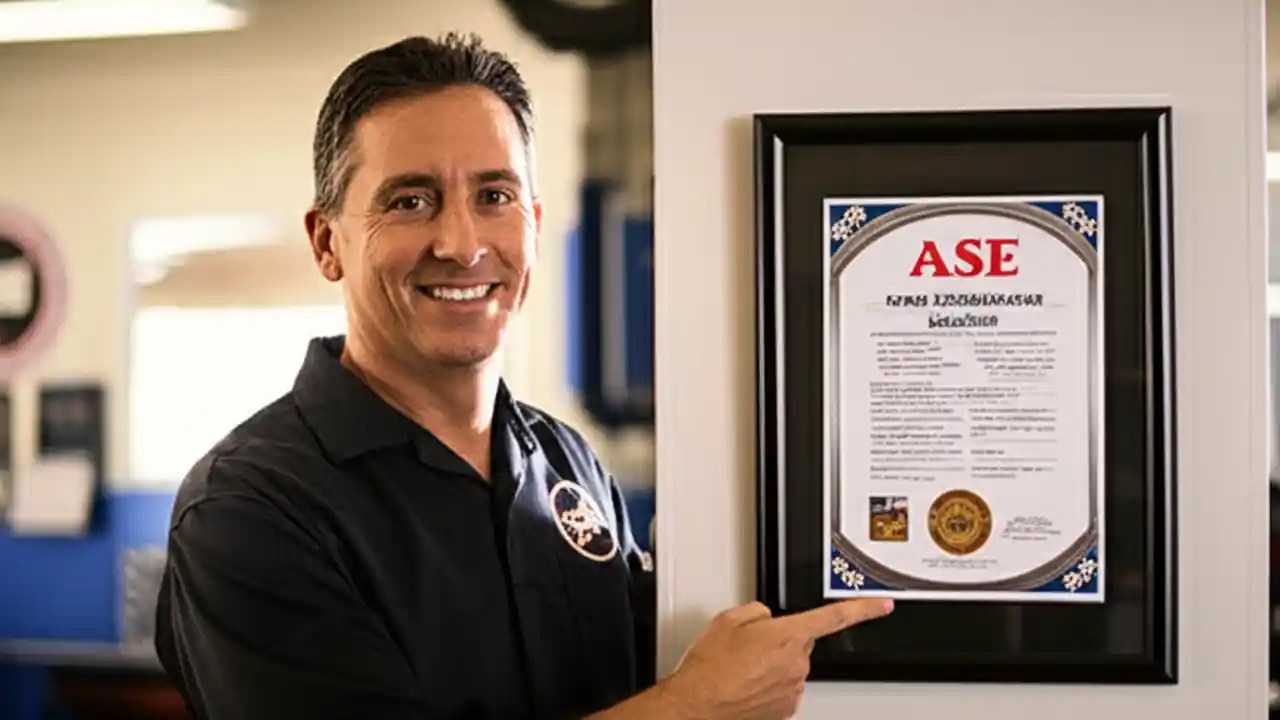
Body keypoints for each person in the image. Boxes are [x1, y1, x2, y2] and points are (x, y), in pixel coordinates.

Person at [152, 32, 893, 720]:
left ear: (533, 224)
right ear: (326, 242)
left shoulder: (566, 462)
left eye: (494, 197)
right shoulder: (248, 510)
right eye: (411, 201)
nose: (462, 242)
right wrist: (691, 709)